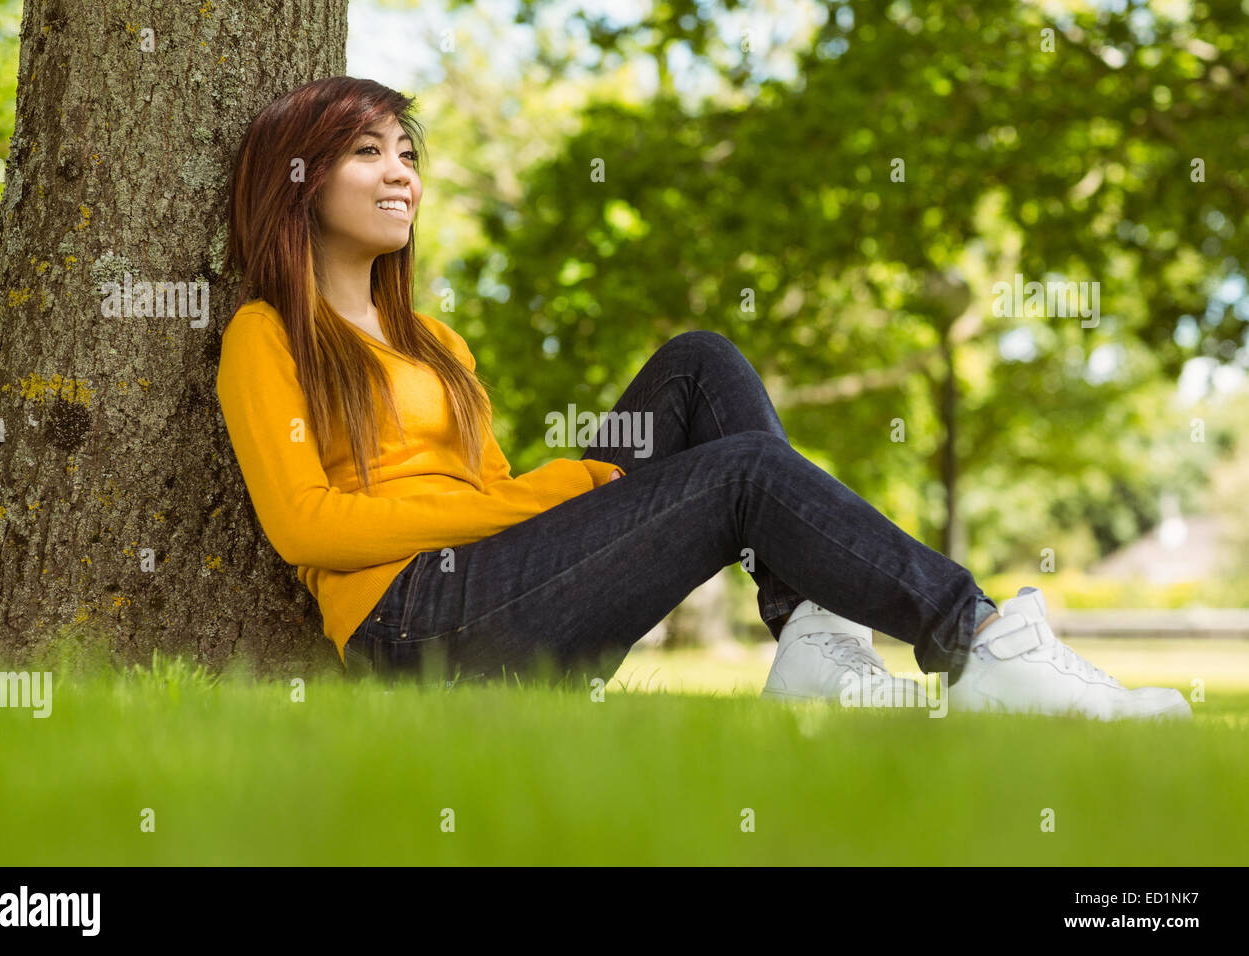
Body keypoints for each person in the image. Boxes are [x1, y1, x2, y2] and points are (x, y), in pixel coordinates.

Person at [217, 76, 1189, 721]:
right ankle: (977, 639)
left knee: (699, 362)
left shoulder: (437, 342)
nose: (400, 173)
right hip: (413, 628)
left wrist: (541, 499)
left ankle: (812, 634)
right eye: (367, 153)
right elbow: (304, 526)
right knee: (744, 474)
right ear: (298, 179)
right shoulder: (269, 334)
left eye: (407, 153)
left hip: (497, 594)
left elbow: (495, 497)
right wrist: (546, 495)